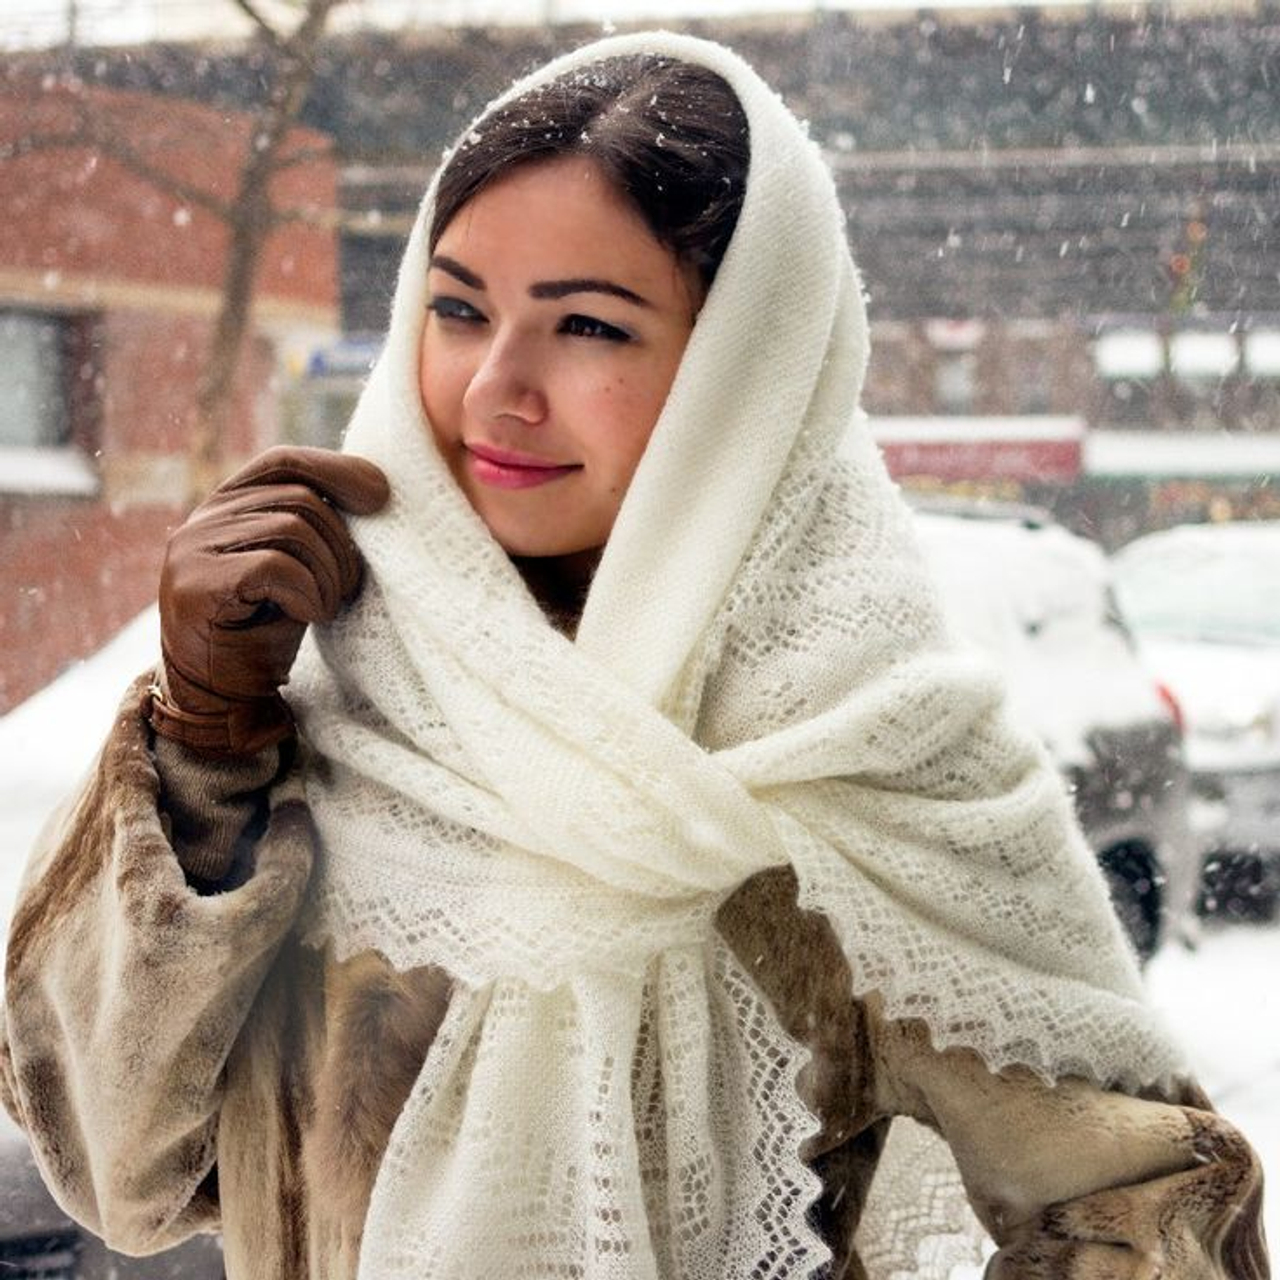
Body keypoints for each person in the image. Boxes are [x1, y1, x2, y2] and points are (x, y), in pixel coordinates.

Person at [0, 30, 1267, 1280]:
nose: (495, 386)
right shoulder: (312, 699)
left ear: (742, 369)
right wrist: (204, 732)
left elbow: (1149, 1205)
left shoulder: (864, 739)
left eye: (589, 327)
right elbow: (120, 1167)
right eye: (455, 307)